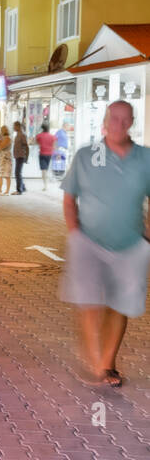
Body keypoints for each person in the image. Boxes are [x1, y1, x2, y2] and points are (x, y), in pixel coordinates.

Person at [60, 100, 150, 388]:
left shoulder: (146, 158)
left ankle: (107, 364)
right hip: (89, 242)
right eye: (115, 119)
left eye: (126, 120)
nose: (119, 125)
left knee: (120, 304)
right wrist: (75, 232)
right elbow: (69, 198)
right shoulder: (87, 156)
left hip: (131, 242)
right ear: (105, 121)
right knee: (90, 302)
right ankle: (97, 361)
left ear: (132, 122)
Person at [35, 123, 57, 191]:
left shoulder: (39, 136)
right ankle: (46, 184)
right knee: (46, 169)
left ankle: (45, 185)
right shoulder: (52, 137)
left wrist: (41, 144)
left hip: (42, 154)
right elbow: (54, 146)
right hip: (50, 154)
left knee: (44, 170)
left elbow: (36, 143)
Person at [0, 127, 13, 195]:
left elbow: (1, 147)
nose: (1, 131)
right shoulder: (1, 138)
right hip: (0, 157)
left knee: (7, 175)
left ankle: (7, 190)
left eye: (2, 130)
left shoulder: (7, 138)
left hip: (5, 158)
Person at [12, 121, 29, 194]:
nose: (13, 128)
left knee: (17, 173)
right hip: (17, 155)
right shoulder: (17, 134)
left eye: (14, 126)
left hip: (21, 156)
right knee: (18, 172)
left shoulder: (22, 135)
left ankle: (19, 190)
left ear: (18, 126)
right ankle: (23, 187)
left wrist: (26, 157)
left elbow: (26, 146)